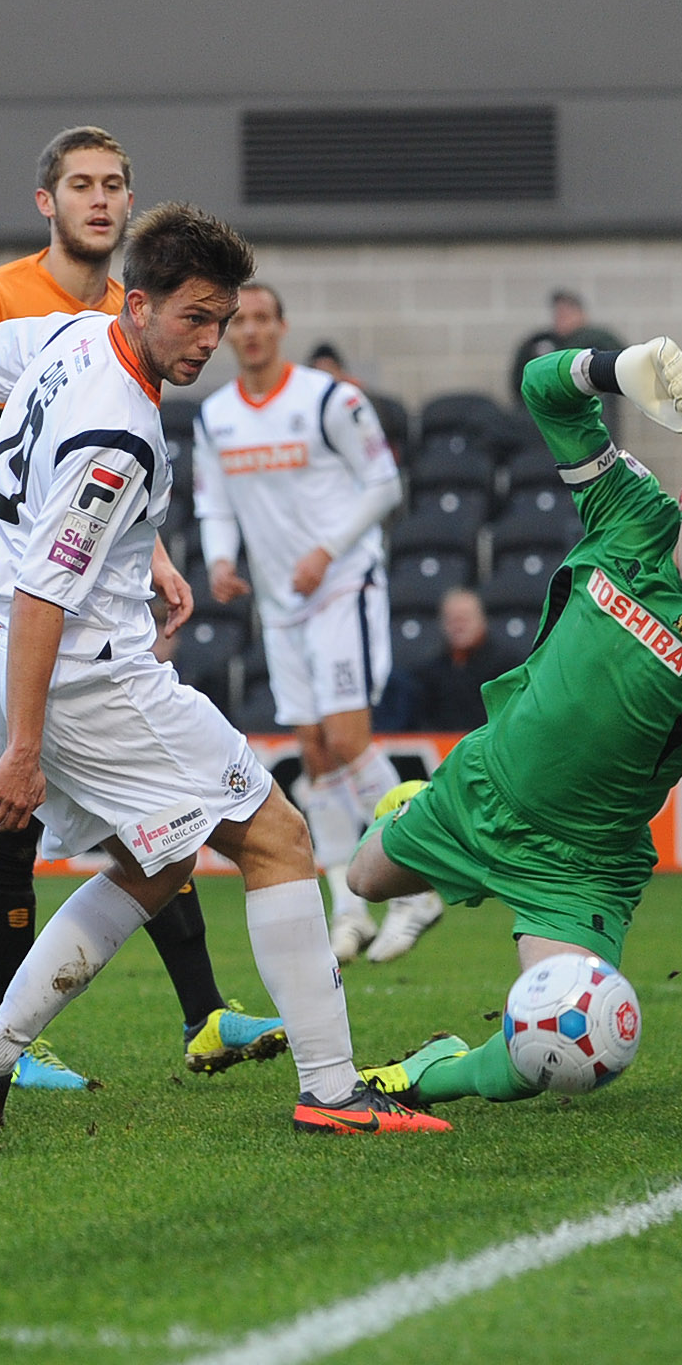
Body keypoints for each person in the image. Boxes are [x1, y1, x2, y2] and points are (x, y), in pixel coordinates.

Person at [0, 201, 446, 1136]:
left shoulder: (68, 333)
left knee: (162, 861)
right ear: (138, 305)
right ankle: (334, 1092)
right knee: (279, 838)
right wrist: (22, 751)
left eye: (222, 320)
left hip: (29, 657)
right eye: (195, 318)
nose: (211, 340)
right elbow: (50, 594)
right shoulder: (119, 435)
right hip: (83, 676)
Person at [349, 338, 682, 1110]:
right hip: (482, 785)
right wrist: (613, 370)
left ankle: (426, 1074)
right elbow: (542, 389)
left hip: (580, 863)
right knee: (363, 880)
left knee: (554, 1054)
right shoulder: (629, 510)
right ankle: (410, 806)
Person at [0, 126, 282, 1092]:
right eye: (81, 184)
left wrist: (154, 556)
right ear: (48, 201)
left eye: (115, 183)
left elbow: (101, 479)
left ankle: (200, 1015)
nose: (100, 199)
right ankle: (10, 1048)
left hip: (48, 593)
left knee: (155, 825)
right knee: (14, 814)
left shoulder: (128, 311)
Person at [194, 285, 445, 967]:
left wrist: (327, 552)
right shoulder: (215, 417)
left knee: (346, 737)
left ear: (283, 327)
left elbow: (385, 484)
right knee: (313, 749)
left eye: (261, 319)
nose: (250, 331)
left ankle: (418, 886)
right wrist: (220, 560)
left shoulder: (330, 400)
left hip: (342, 585)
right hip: (280, 603)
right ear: (226, 331)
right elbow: (214, 502)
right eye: (239, 321)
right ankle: (350, 909)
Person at [377, 588, 513, 732]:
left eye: (465, 619)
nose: (459, 626)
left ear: (482, 621)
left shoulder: (507, 668)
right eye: (453, 620)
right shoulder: (427, 674)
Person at [507, 290, 621, 407]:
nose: (562, 317)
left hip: (590, 405)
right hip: (547, 407)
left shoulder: (599, 339)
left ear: (581, 314)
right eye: (559, 313)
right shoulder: (540, 341)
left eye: (568, 312)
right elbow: (520, 379)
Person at [305, 339, 408, 464]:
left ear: (341, 373)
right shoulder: (303, 409)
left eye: (329, 371)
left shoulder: (360, 401)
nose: (325, 380)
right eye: (319, 374)